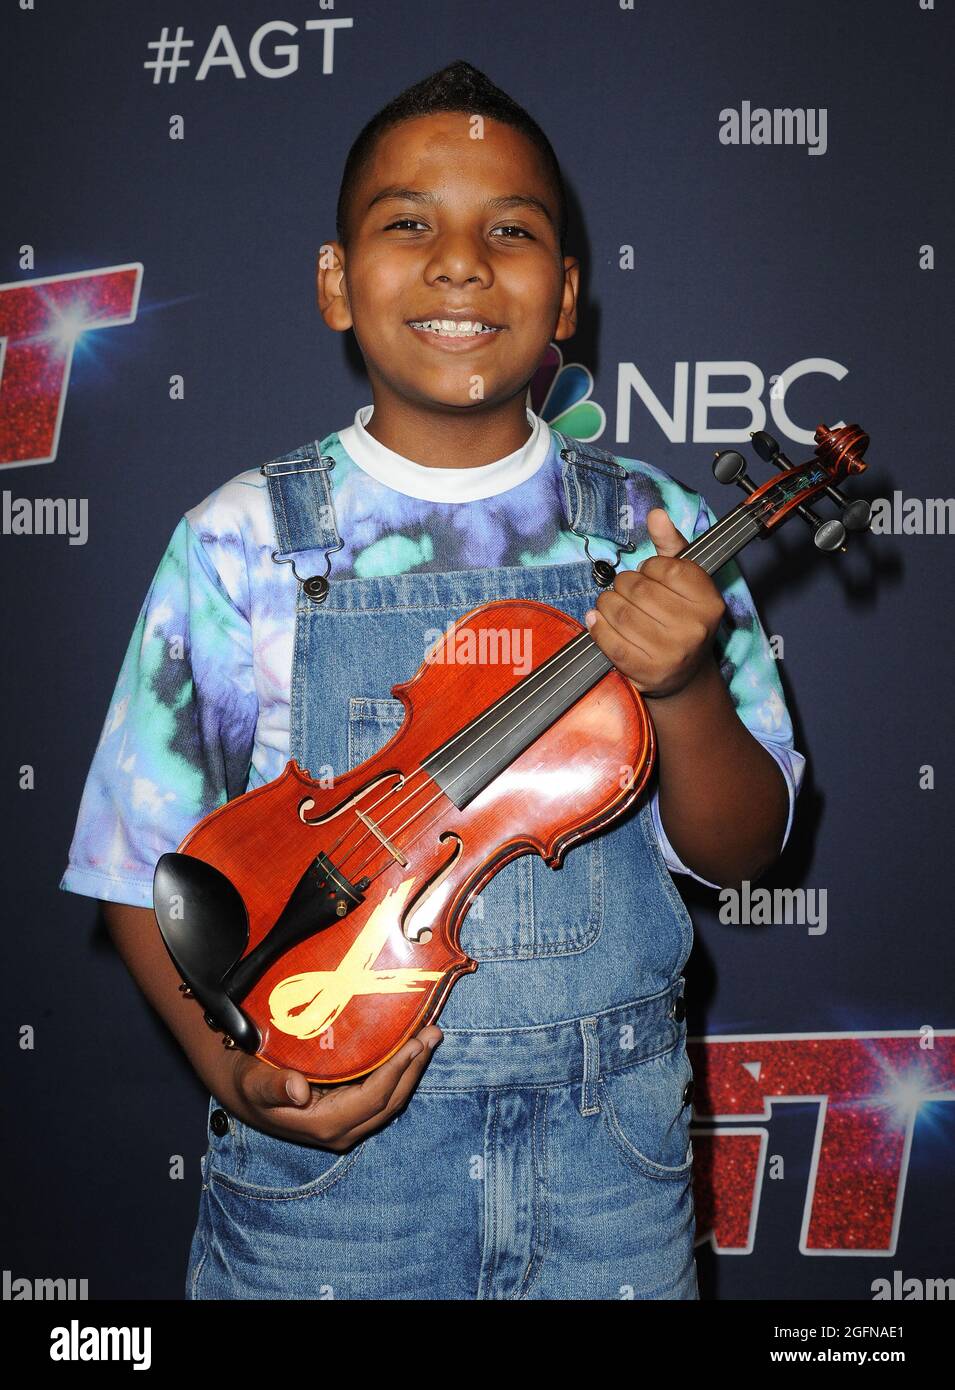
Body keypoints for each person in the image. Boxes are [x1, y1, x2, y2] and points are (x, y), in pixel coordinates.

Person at [60, 59, 804, 1300]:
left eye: (510, 232)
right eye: (408, 224)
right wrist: (233, 1070)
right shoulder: (240, 534)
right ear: (335, 284)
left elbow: (742, 849)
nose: (461, 261)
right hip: (334, 1181)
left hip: (607, 1161)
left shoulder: (656, 529)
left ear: (564, 294)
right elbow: (141, 867)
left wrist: (678, 690)